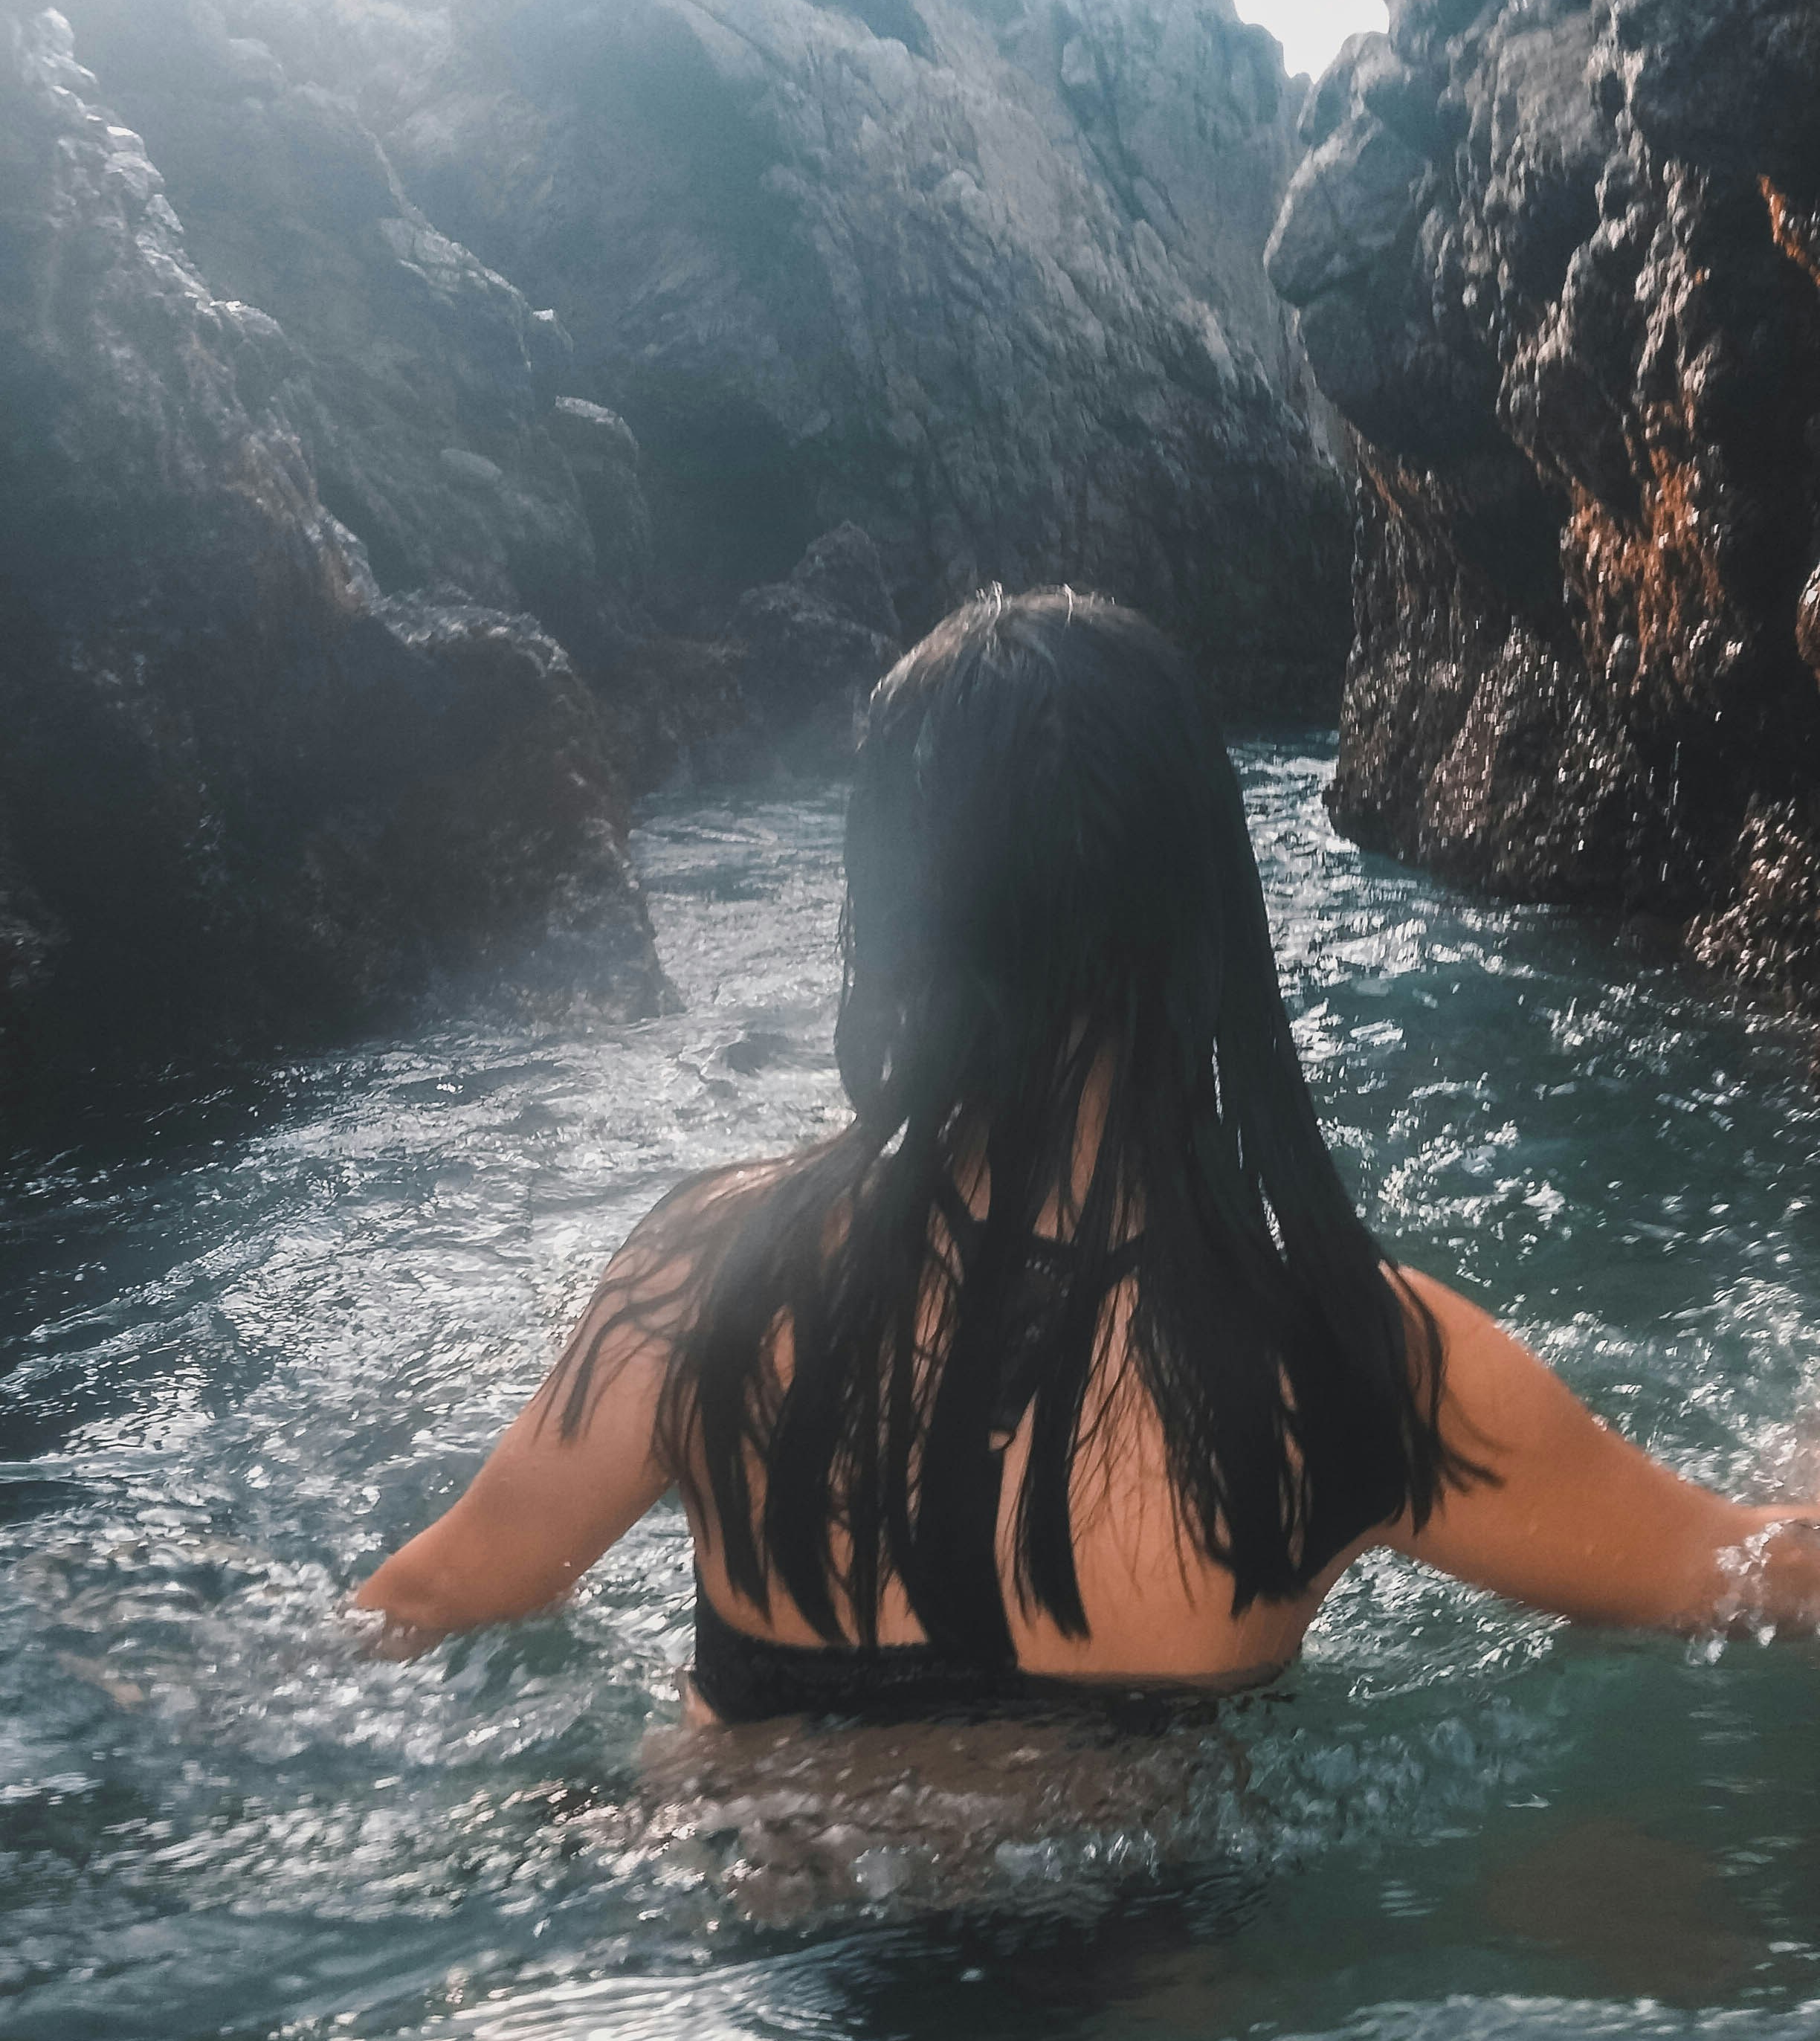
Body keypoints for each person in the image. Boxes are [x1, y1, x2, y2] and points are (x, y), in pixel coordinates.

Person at [355, 590, 1820, 1718]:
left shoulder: (702, 1282)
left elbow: (417, 1605)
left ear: (895, 913)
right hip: (1151, 2034)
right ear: (1208, 915)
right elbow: (1737, 1578)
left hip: (760, 1981)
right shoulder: (1345, 1362)